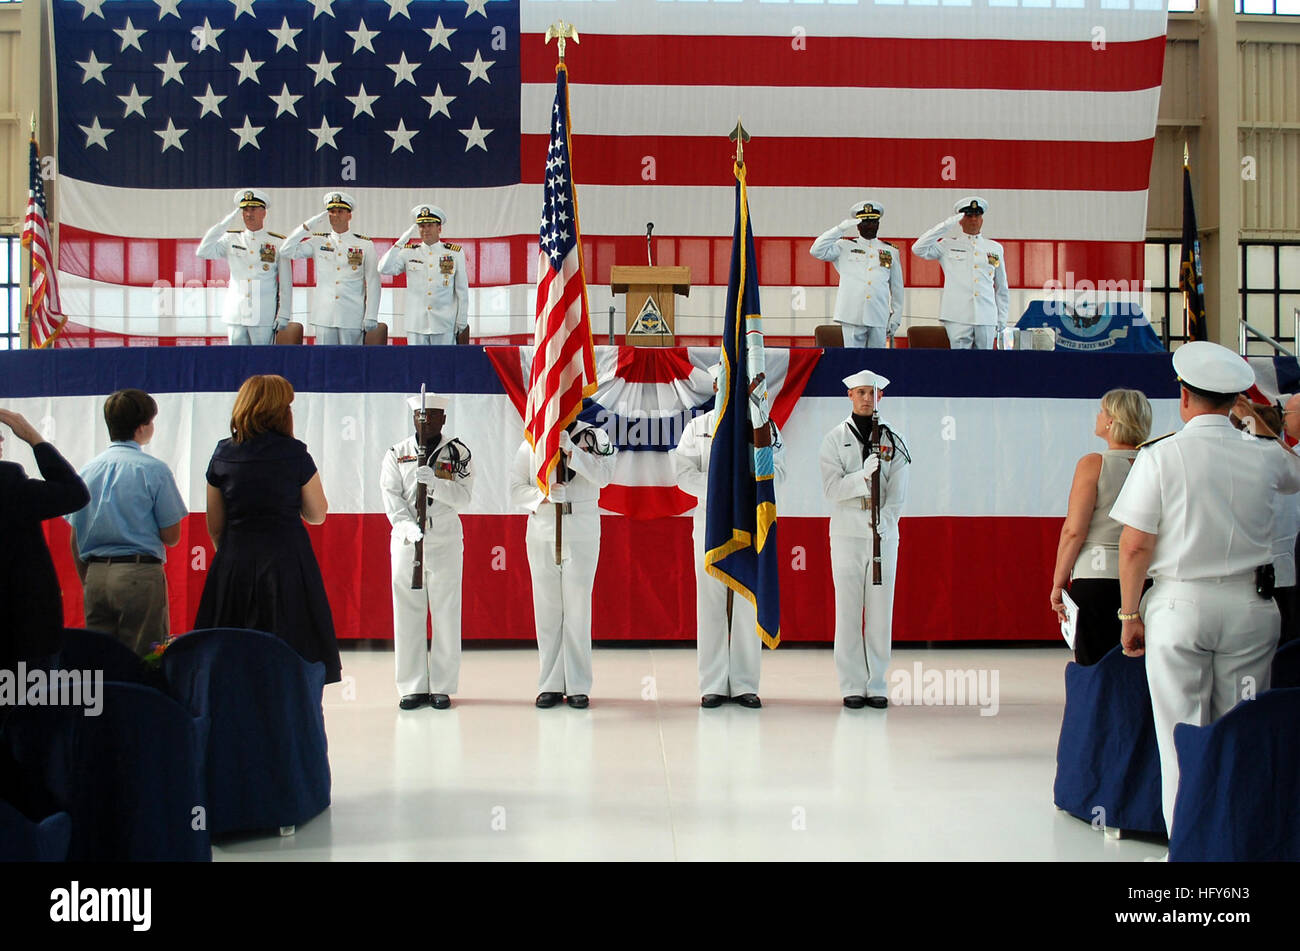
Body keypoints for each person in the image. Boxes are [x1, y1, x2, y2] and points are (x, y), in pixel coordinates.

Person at [1111, 342, 1300, 835]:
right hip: (1250, 609)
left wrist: (1129, 616)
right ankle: (1235, 840)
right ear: (1235, 398)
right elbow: (1294, 474)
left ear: (1184, 398)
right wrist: (1257, 419)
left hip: (1179, 607)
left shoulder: (1162, 455)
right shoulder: (1265, 458)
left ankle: (1189, 844)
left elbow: (1134, 547)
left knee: (1180, 734)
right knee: (1239, 729)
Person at [194, 375, 341, 683]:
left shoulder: (222, 455)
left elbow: (216, 527)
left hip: (234, 565)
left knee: (231, 664)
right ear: (279, 411)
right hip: (288, 565)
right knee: (289, 661)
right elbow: (317, 514)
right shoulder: (295, 454)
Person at [671, 364, 786, 708]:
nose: (728, 391)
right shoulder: (697, 427)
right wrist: (723, 491)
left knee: (748, 599)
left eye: (734, 385)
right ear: (715, 387)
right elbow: (682, 474)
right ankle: (713, 684)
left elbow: (779, 471)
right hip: (710, 522)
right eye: (722, 384)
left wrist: (747, 487)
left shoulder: (762, 427)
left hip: (750, 524)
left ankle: (746, 683)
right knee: (710, 603)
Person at [66, 390, 188, 656]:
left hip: (96, 575)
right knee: (144, 657)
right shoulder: (152, 470)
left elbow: (75, 537)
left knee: (98, 660)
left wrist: (88, 578)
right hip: (138, 573)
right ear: (142, 427)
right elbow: (172, 535)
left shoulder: (86, 470)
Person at [509, 419, 617, 709]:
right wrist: (541, 495)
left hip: (581, 528)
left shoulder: (596, 436)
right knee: (547, 611)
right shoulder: (533, 440)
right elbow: (516, 489)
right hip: (543, 528)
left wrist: (573, 454)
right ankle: (550, 684)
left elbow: (605, 476)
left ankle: (579, 684)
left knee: (578, 609)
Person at [820, 370, 910, 708]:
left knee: (879, 612)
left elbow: (899, 491)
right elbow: (831, 489)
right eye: (860, 392)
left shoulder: (894, 439)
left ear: (881, 396)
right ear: (850, 396)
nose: (867, 398)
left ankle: (877, 683)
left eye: (872, 393)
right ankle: (851, 684)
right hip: (846, 529)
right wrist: (862, 476)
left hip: (882, 532)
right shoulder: (833, 439)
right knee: (847, 610)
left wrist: (884, 522)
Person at [380, 393, 474, 710]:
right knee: (408, 612)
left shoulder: (458, 452)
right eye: (420, 416)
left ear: (442, 419)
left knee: (446, 612)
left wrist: (434, 483)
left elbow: (463, 498)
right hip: (408, 538)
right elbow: (391, 495)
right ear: (413, 418)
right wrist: (405, 525)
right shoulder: (398, 453)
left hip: (444, 535)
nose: (425, 421)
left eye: (431, 416)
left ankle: (443, 686)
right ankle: (411, 686)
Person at [1049, 389, 1152, 665]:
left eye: (1102, 411)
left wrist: (1058, 583)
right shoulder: (1155, 462)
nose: (1098, 416)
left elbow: (1074, 530)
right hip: (1146, 580)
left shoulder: (1094, 464)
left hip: (1096, 579)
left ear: (1112, 421)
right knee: (1139, 669)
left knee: (1094, 669)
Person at [0, 409, 89, 674]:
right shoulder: (9, 484)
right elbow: (75, 494)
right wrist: (33, 438)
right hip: (23, 629)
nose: (3, 441)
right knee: (34, 710)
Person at [279, 191, 379, 345]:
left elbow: (373, 281)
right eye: (332, 211)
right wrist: (307, 226)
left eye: (340, 211)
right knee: (324, 364)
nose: (336, 215)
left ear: (349, 215)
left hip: (352, 316)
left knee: (351, 363)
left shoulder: (365, 245)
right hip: (325, 316)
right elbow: (286, 250)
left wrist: (371, 315)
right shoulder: (318, 241)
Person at [195, 188, 292, 345]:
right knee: (235, 362)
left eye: (253, 209)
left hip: (262, 314)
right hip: (236, 313)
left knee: (262, 362)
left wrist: (284, 314)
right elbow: (203, 251)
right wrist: (225, 222)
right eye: (245, 210)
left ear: (264, 212)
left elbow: (286, 283)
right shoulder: (231, 239)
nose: (248, 214)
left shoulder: (278, 242)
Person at [912, 197, 1009, 350]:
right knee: (959, 364)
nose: (973, 220)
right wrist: (946, 225)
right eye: (969, 216)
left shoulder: (995, 248)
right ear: (960, 220)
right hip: (957, 316)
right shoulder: (947, 245)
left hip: (986, 316)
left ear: (982, 219)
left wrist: (1002, 319)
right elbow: (918, 248)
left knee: (985, 364)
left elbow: (1001, 287)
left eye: (977, 216)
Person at [809, 200, 904, 348]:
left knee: (877, 362)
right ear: (858, 226)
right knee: (853, 361)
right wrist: (840, 229)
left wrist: (896, 316)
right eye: (865, 223)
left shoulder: (891, 250)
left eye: (873, 222)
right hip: (852, 314)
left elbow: (897, 288)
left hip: (879, 314)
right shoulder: (843, 246)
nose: (869, 226)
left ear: (878, 224)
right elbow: (816, 250)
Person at [378, 204, 470, 345]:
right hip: (416, 324)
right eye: (421, 226)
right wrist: (400, 243)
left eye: (429, 225)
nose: (425, 230)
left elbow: (462, 290)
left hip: (444, 323)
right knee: (417, 366)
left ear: (439, 228)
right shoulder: (409, 252)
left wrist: (461, 320)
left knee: (442, 365)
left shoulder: (455, 253)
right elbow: (383, 268)